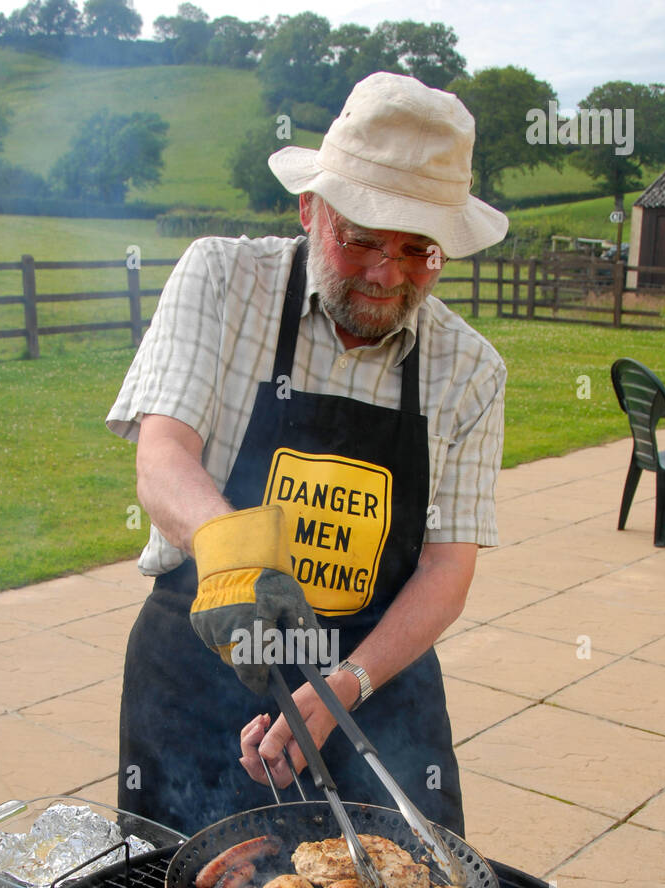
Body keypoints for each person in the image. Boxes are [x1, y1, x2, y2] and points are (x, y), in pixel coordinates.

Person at [106, 73, 509, 837]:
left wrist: (344, 687)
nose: (387, 274)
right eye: (359, 238)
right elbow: (162, 455)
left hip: (372, 677)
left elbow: (447, 568)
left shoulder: (471, 370)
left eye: (418, 251)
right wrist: (229, 550)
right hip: (202, 660)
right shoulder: (224, 280)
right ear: (310, 208)